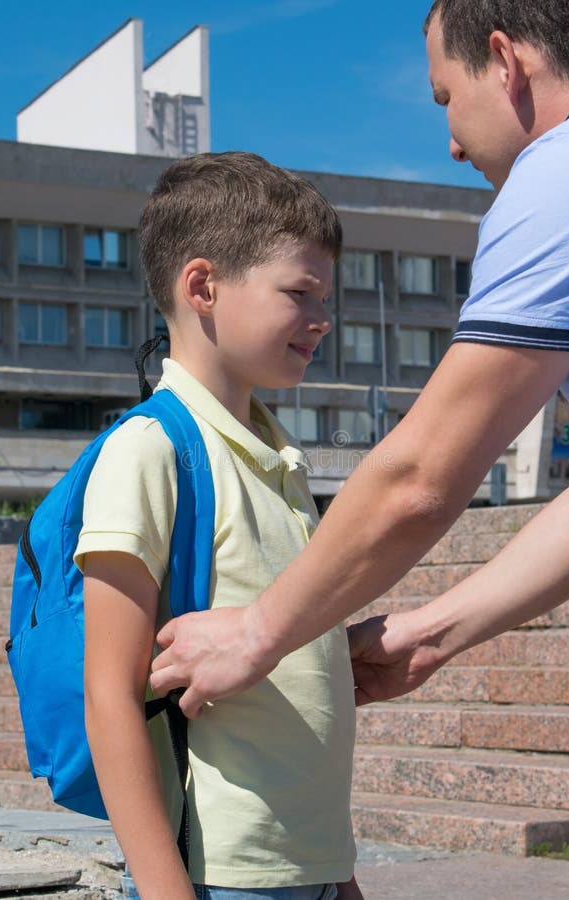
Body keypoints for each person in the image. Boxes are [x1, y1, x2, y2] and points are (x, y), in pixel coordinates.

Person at [148, 0, 569, 715]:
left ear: (507, 63)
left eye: (447, 98)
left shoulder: (565, 177)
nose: (451, 144)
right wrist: (429, 634)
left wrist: (255, 633)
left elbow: (421, 477)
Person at [77, 151, 362, 900]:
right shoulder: (149, 450)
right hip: (220, 876)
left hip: (311, 868)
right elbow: (110, 696)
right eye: (300, 292)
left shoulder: (283, 460)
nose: (322, 319)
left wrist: (342, 875)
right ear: (203, 286)